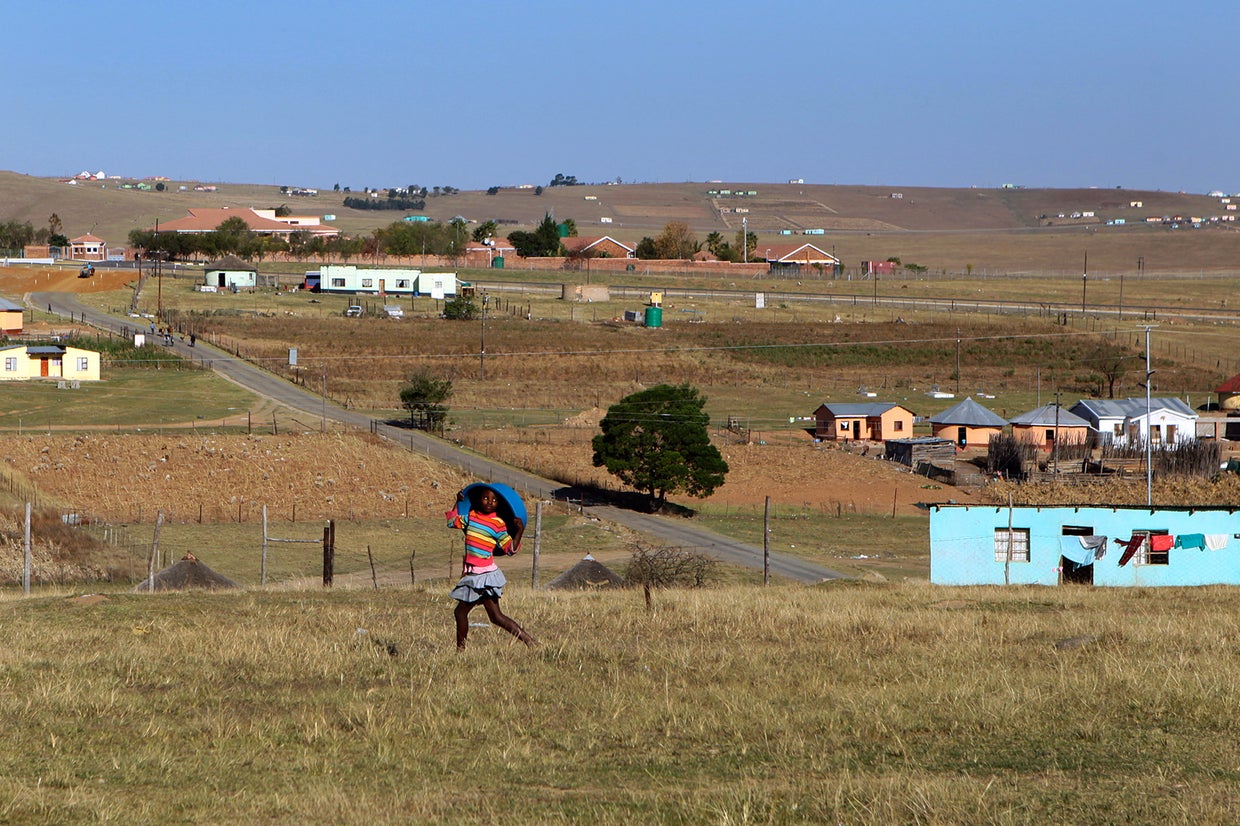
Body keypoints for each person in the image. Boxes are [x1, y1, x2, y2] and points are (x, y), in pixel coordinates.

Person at [446, 487, 536, 650]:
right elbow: (452, 522)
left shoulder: (498, 524)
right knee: (495, 616)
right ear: (478, 500)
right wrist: (457, 502)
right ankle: (530, 642)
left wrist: (519, 531)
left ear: (498, 504)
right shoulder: (470, 517)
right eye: (486, 498)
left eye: (494, 500)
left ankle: (460, 650)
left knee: (462, 613)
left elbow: (510, 549)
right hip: (474, 574)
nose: (490, 502)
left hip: (484, 576)